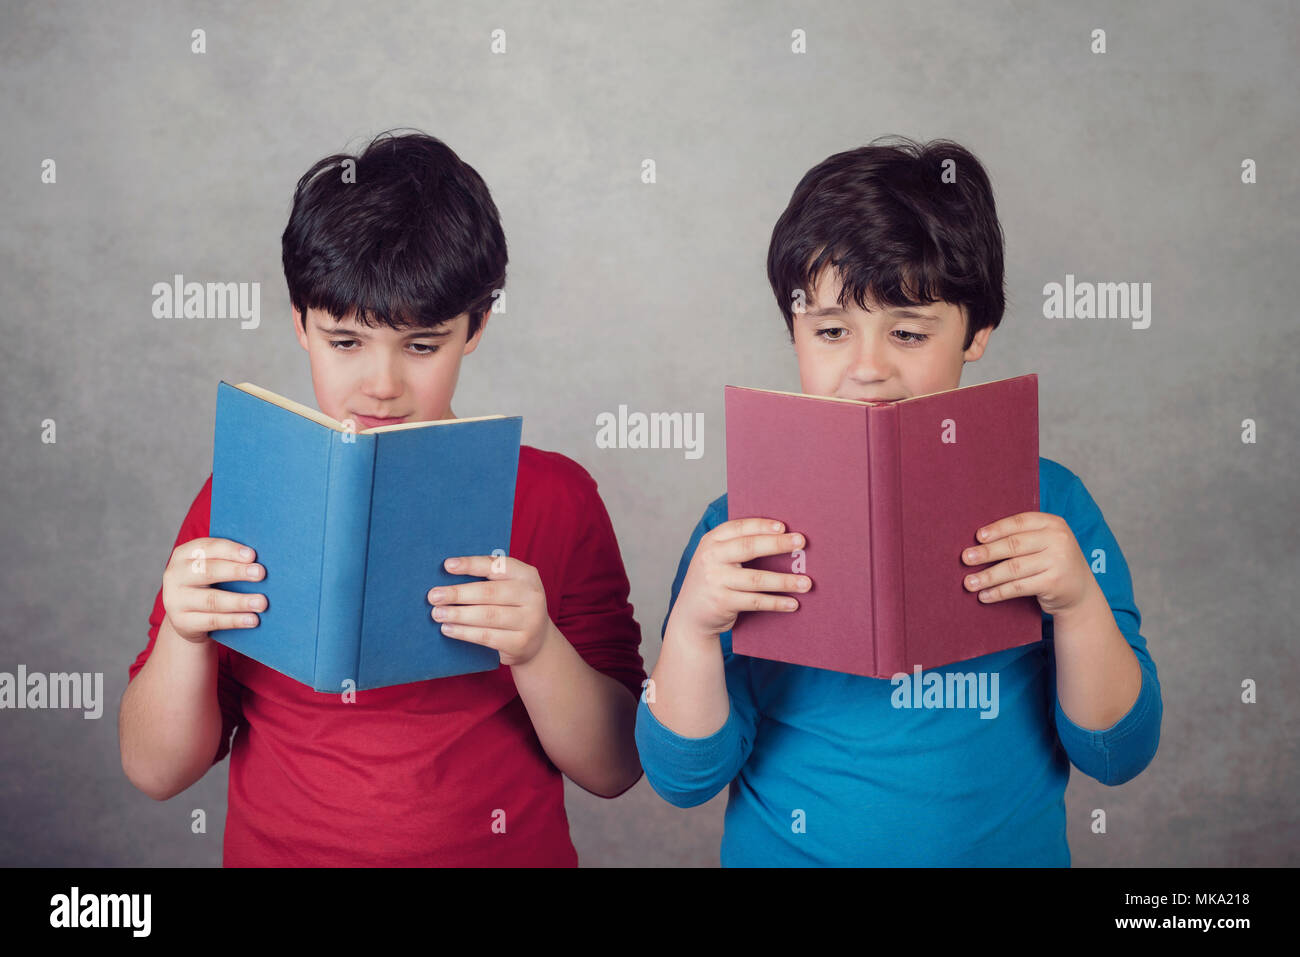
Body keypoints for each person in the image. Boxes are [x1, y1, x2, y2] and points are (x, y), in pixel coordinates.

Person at [120, 130, 646, 866]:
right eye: (345, 342)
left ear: (478, 326)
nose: (382, 384)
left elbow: (617, 765)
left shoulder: (556, 496)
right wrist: (183, 634)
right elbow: (155, 769)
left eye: (422, 346)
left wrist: (536, 648)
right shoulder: (246, 492)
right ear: (300, 322)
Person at [634, 137, 1162, 866]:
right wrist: (691, 632)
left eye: (909, 332)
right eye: (830, 332)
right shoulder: (739, 526)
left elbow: (1117, 750)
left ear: (976, 334)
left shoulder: (1052, 506)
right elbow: (682, 775)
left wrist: (1076, 605)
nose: (868, 369)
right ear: (793, 330)